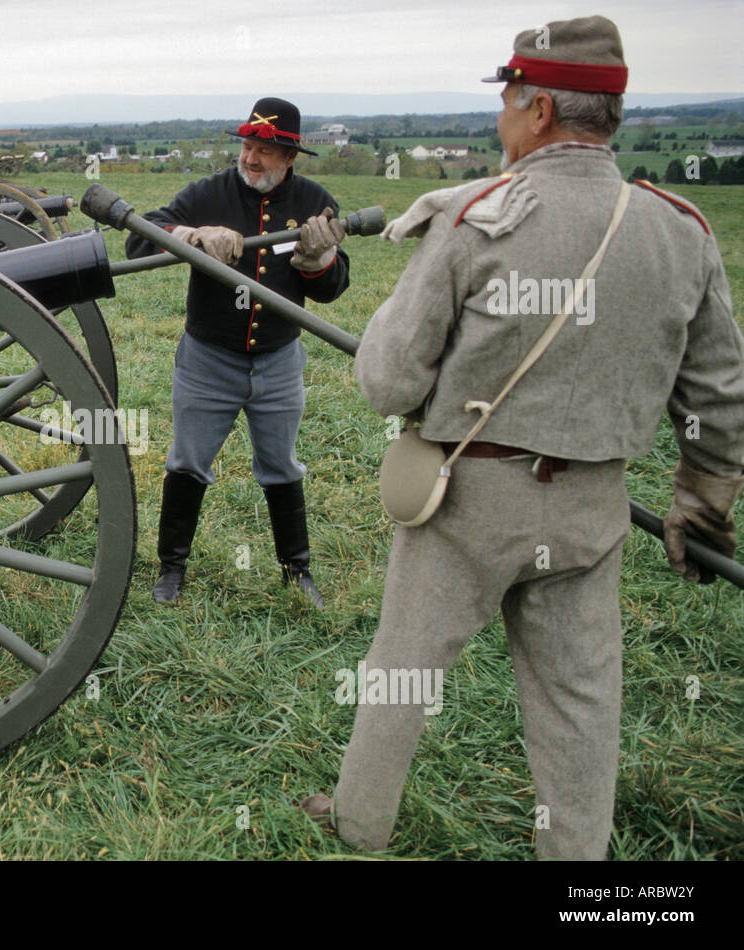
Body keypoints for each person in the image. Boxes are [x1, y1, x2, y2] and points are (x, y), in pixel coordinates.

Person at [300, 15, 744, 859]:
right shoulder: (681, 231)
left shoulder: (474, 217)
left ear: (539, 110)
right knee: (580, 702)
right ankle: (577, 862)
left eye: (507, 98)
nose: (501, 115)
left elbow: (387, 381)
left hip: (467, 503)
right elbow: (720, 398)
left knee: (403, 672)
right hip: (591, 507)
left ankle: (359, 824)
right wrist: (702, 500)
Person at [125, 97, 351, 607]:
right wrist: (191, 235)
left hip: (278, 361)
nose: (251, 159)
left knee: (282, 467)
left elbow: (333, 288)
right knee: (187, 463)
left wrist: (319, 258)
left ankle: (297, 572)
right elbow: (139, 242)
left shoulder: (314, 201)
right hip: (209, 358)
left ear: (289, 158)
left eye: (265, 151)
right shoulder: (208, 193)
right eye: (247, 146)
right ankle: (171, 570)